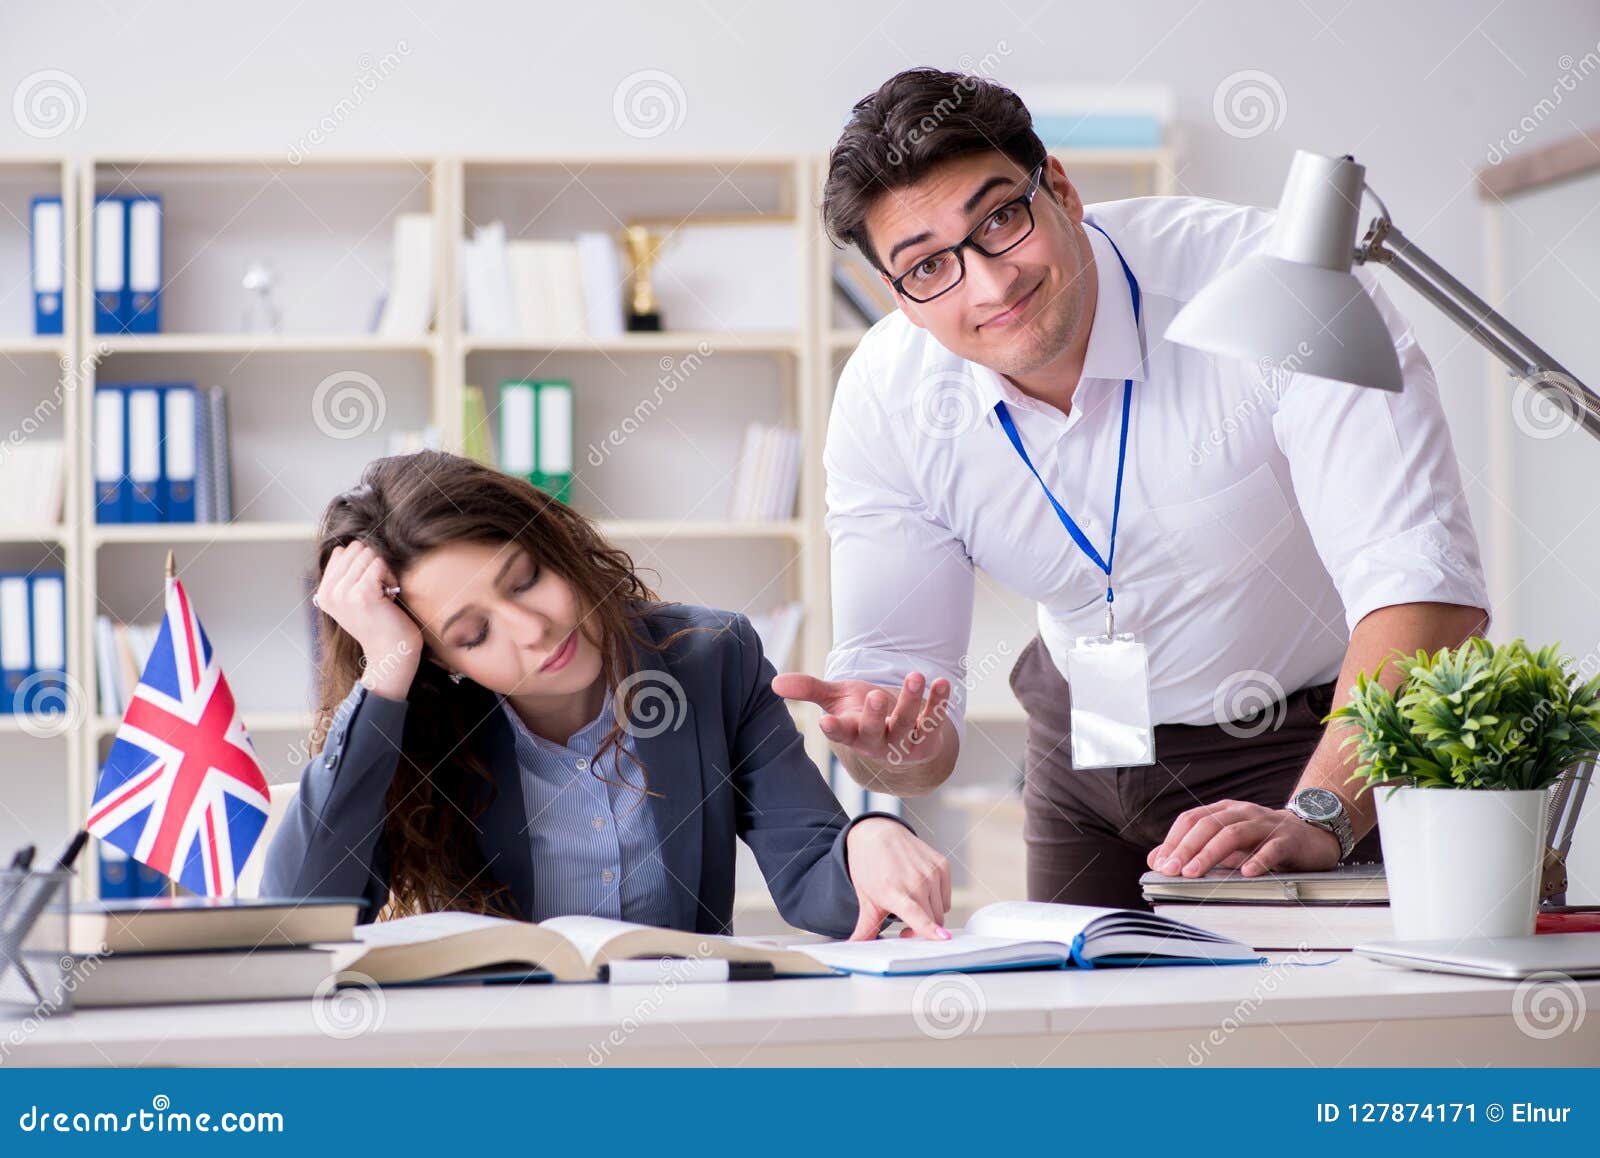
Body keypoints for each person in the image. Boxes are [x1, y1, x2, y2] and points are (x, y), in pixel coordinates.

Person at [773, 67, 1491, 911]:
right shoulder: (888, 398)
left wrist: (1324, 810)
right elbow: (910, 724)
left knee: (1325, 1025)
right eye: (929, 267)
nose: (990, 285)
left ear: (1062, 190)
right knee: (1083, 1025)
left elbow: (1423, 587)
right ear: (897, 299)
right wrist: (889, 746)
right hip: (1084, 735)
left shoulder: (1283, 288)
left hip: (1308, 737)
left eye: (1001, 218)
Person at [261, 449, 952, 940]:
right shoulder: (417, 719)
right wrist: (387, 668)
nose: (533, 630)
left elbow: (815, 880)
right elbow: (302, 918)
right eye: (473, 634)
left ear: (555, 543)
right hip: (500, 1060)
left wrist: (872, 839)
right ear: (444, 663)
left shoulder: (711, 661)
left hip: (677, 1047)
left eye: (526, 578)